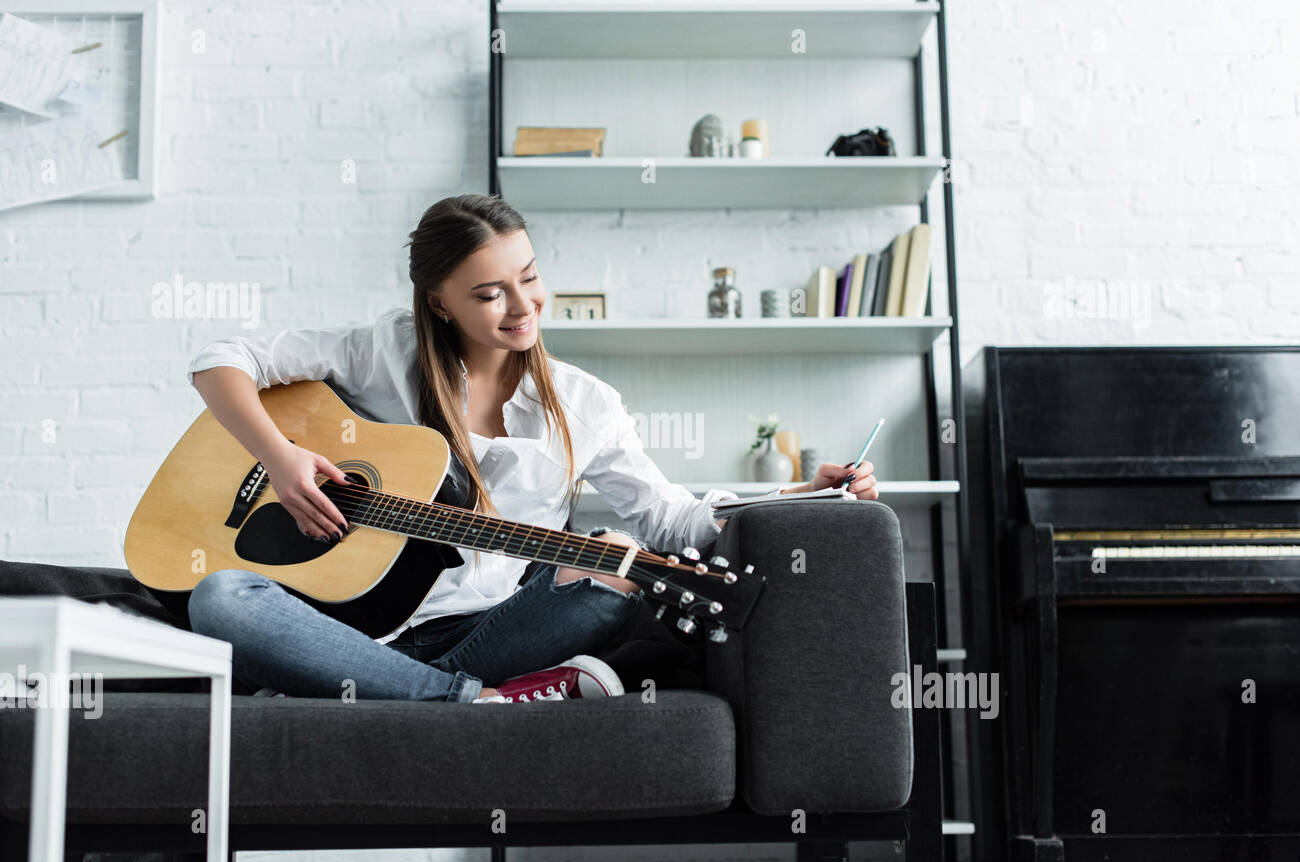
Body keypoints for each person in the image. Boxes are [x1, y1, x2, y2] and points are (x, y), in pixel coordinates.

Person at [185, 194, 878, 704]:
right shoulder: (381, 354)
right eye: (489, 294)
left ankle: (396, 690)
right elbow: (221, 358)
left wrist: (804, 496)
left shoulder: (584, 406)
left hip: (498, 630)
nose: (523, 308)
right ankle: (474, 701)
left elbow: (675, 524)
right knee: (220, 596)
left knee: (611, 565)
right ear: (439, 304)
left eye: (529, 277)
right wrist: (280, 456)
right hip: (355, 625)